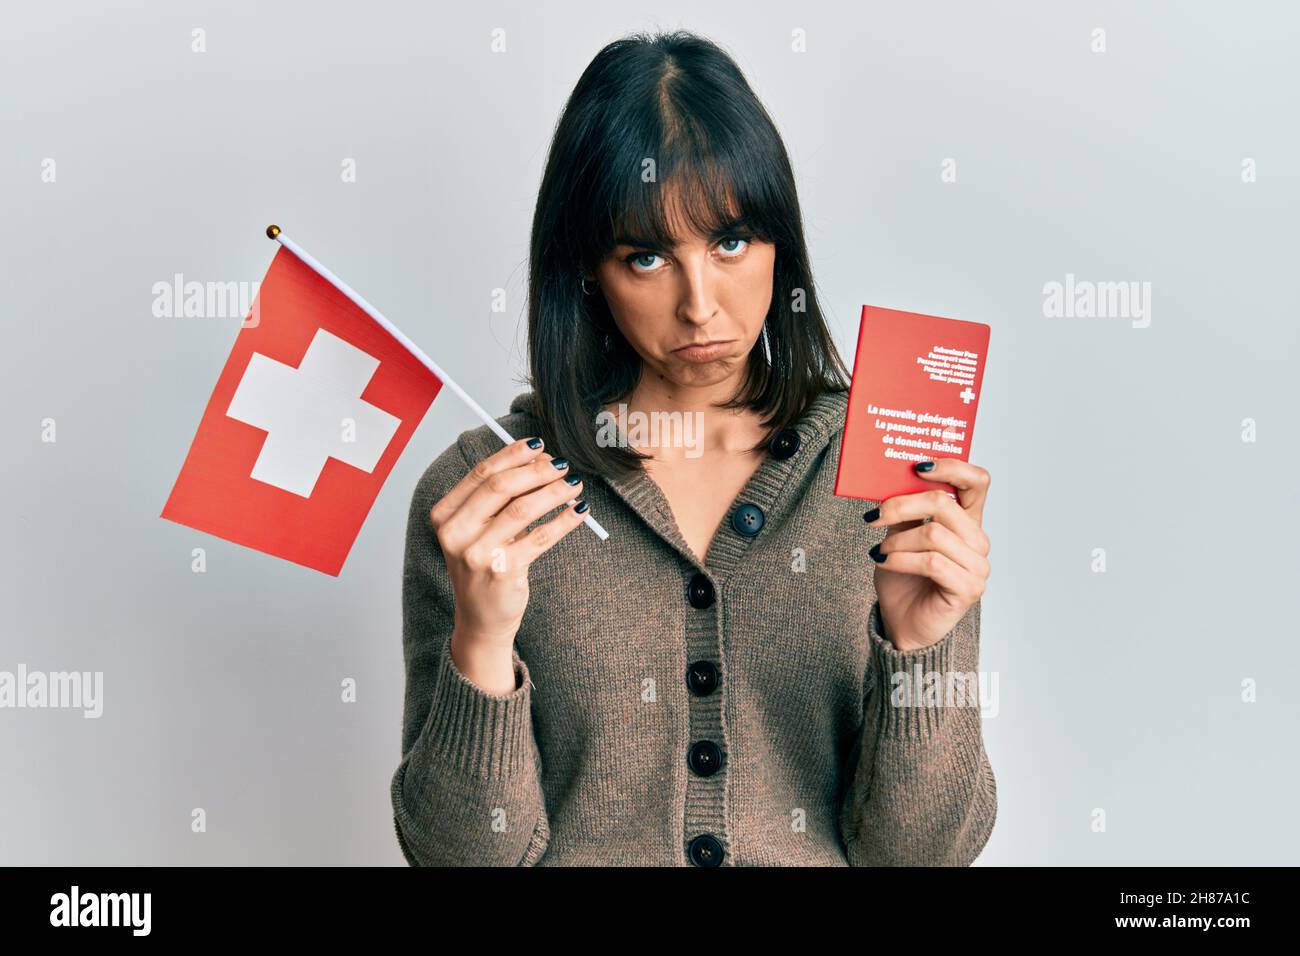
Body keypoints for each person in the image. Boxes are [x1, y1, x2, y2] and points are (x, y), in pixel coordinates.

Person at [390, 29, 995, 866]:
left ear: (782, 245)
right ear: (588, 275)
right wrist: (481, 648)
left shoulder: (891, 468)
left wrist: (921, 649)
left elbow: (922, 854)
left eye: (731, 242)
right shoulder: (483, 498)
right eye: (646, 257)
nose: (700, 305)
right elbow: (458, 857)